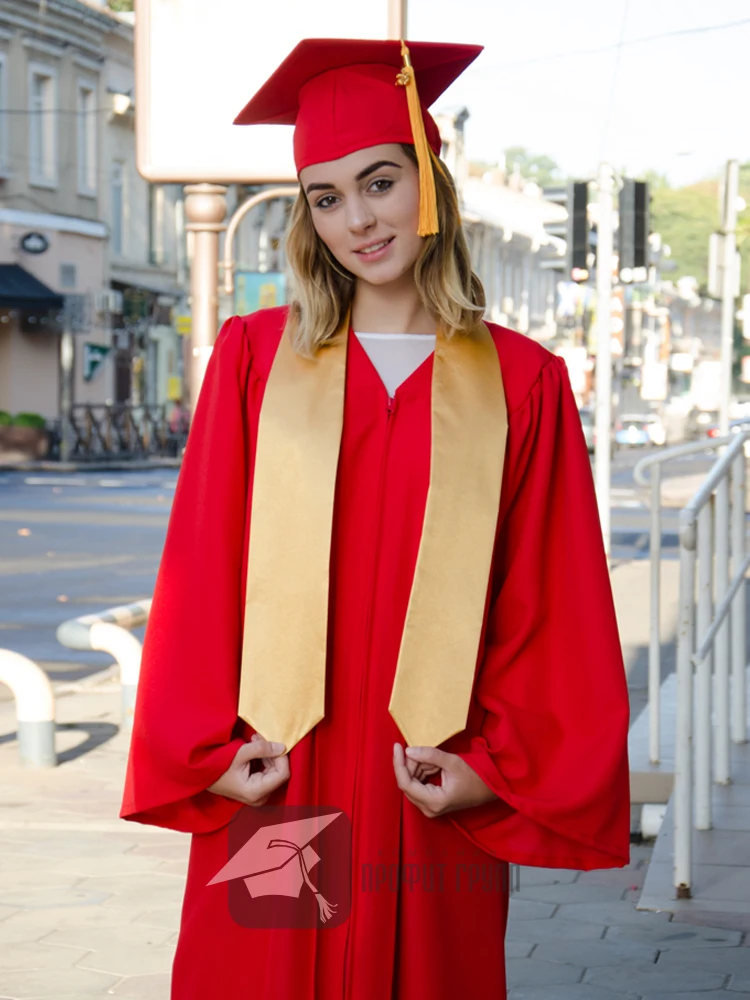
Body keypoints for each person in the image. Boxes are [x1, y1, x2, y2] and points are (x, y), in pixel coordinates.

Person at [121, 37, 630, 1000]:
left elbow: (549, 597)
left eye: (380, 182)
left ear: (429, 185)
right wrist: (204, 754)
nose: (357, 218)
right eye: (326, 196)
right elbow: (202, 565)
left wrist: (493, 769)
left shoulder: (522, 382)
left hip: (426, 779)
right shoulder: (254, 359)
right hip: (279, 770)